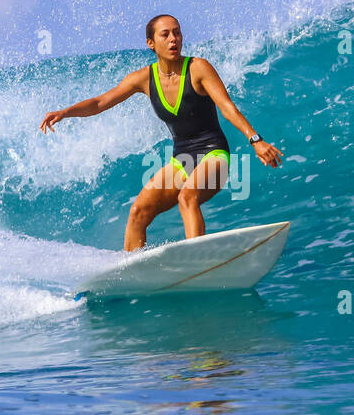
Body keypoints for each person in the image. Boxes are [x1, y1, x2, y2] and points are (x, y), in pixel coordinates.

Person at [39, 14, 283, 251]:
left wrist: (255, 140)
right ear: (151, 43)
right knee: (138, 211)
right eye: (165, 34)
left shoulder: (198, 68)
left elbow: (227, 107)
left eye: (177, 32)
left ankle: (197, 261)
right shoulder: (144, 78)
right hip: (183, 159)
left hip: (214, 153)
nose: (173, 39)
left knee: (187, 196)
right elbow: (101, 102)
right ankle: (131, 272)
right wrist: (65, 112)